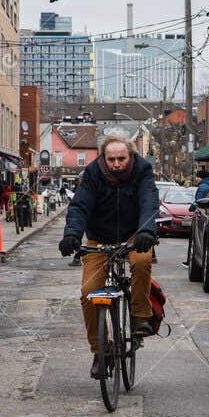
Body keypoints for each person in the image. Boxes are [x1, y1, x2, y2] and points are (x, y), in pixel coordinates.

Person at [59, 133, 160, 380]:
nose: (116, 164)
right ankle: (101, 351)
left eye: (121, 159)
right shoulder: (93, 173)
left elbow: (149, 201)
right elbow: (80, 205)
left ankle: (139, 317)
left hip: (134, 236)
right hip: (99, 238)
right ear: (104, 157)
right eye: (112, 159)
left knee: (143, 261)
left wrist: (146, 230)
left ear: (131, 156)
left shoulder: (142, 170)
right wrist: (72, 235)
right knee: (88, 292)